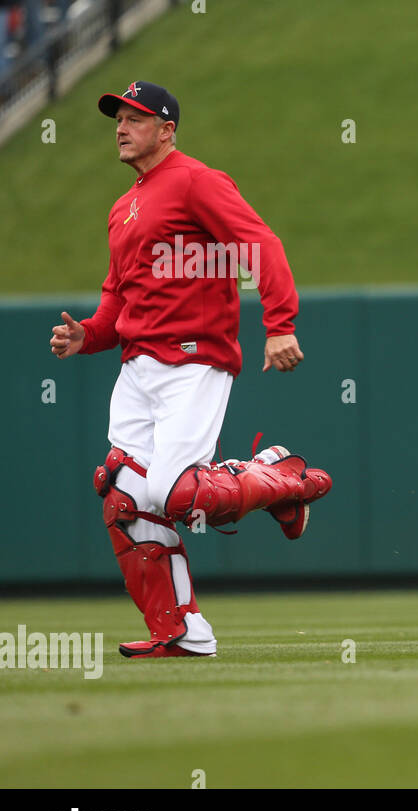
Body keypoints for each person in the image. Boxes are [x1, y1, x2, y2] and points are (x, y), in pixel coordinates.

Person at [49, 80, 332, 658]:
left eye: (135, 117)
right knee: (125, 498)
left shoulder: (196, 180)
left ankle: (281, 478)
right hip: (136, 370)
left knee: (176, 493)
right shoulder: (121, 207)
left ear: (167, 129)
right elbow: (116, 300)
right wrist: (88, 336)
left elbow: (260, 244)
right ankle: (181, 631)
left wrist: (280, 323)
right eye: (118, 118)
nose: (122, 127)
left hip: (192, 359)